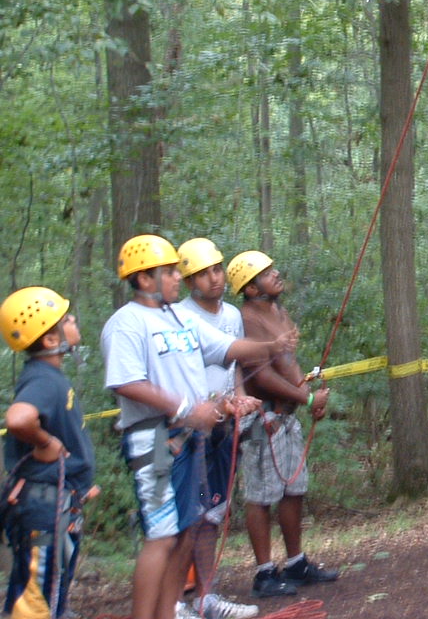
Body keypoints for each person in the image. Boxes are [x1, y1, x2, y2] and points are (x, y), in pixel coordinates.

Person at [102, 234, 294, 619]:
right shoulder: (126, 323)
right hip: (154, 441)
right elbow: (126, 382)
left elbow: (226, 348)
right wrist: (187, 408)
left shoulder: (179, 317)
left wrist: (272, 346)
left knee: (187, 530)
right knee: (161, 536)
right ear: (143, 279)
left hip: (190, 439)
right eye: (170, 271)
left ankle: (168, 612)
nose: (178, 278)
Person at [227, 250, 337, 598]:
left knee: (293, 489)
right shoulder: (248, 319)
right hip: (265, 418)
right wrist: (305, 398)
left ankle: (295, 562)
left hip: (288, 416)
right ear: (250, 288)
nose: (275, 275)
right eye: (265, 272)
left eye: (273, 268)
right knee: (260, 495)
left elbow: (288, 364)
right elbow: (260, 374)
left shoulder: (279, 312)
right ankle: (264, 573)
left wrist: (309, 398)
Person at [175, 238, 260, 619]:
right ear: (188, 280)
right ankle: (177, 600)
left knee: (213, 513)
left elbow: (234, 365)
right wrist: (214, 402)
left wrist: (239, 399)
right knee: (187, 515)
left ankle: (206, 595)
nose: (214, 278)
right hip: (191, 429)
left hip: (225, 426)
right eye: (202, 274)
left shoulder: (232, 316)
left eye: (216, 269)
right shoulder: (179, 317)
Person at [1, 287, 97, 619]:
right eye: (65, 318)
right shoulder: (43, 379)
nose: (72, 319)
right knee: (35, 602)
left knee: (47, 596)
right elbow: (18, 418)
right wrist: (45, 442)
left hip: (54, 503)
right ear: (51, 340)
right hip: (42, 508)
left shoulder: (50, 377)